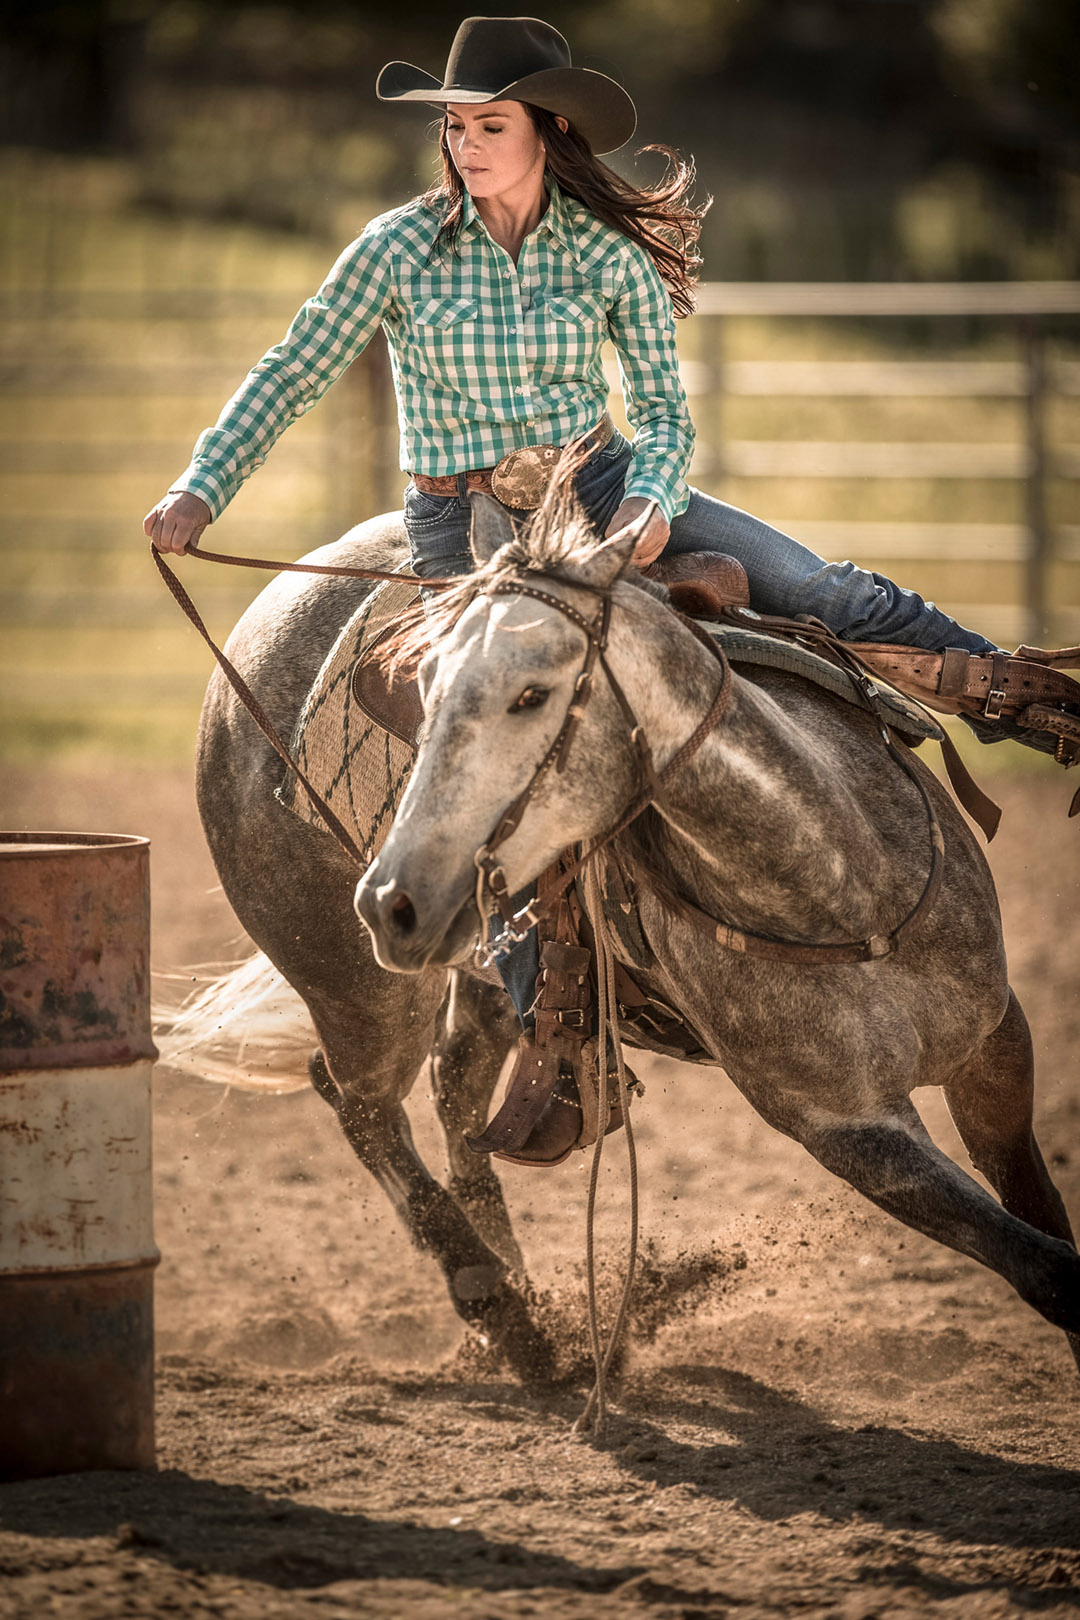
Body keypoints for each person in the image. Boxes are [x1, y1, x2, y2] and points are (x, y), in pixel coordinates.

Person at [145, 15, 1070, 1035]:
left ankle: (1016, 694)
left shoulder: (601, 255)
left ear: (548, 129)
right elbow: (295, 366)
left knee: (817, 589)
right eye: (453, 126)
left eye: (488, 124)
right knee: (482, 743)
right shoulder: (398, 250)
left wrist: (645, 506)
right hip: (462, 522)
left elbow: (664, 413)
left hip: (599, 487)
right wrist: (203, 484)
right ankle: (542, 1005)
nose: (465, 145)